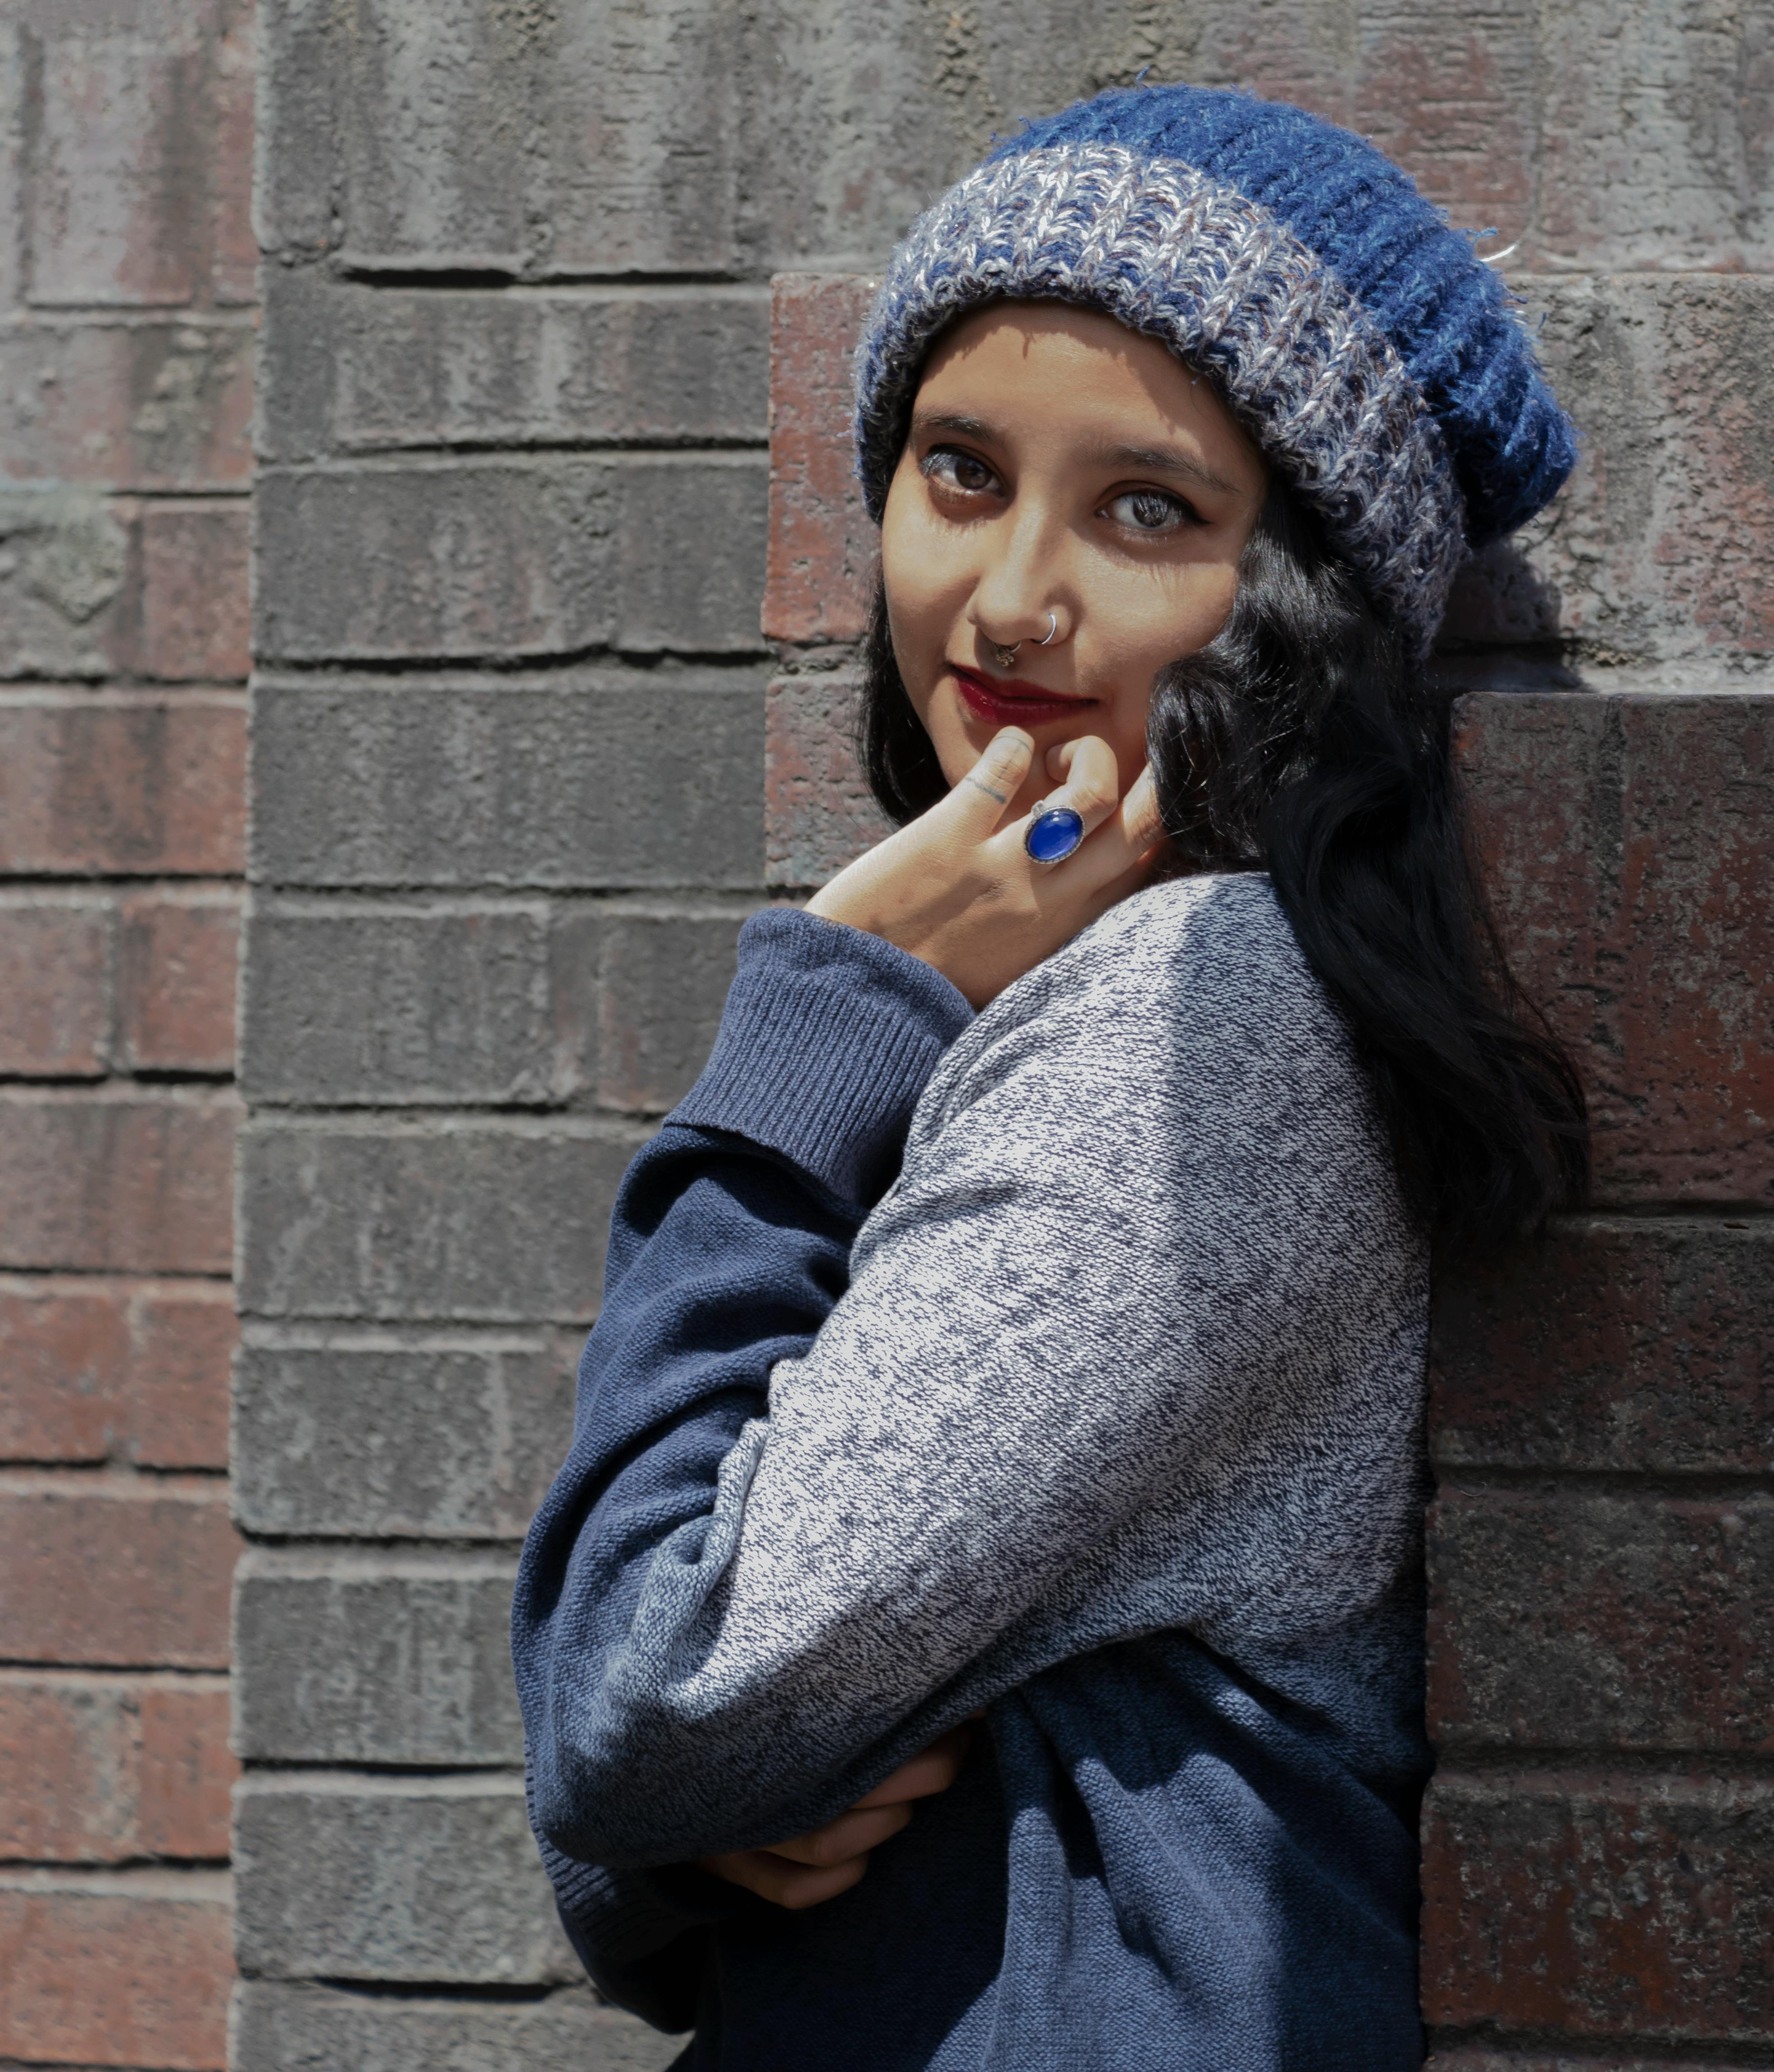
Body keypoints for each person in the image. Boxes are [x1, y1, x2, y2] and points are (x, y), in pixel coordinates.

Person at [512, 82, 1588, 2070]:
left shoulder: (1204, 1019)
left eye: (1145, 509)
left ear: (1301, 605)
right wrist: (669, 1840)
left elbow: (646, 1690)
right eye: (957, 471)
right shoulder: (1079, 988)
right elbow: (671, 1755)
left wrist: (808, 1029)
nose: (1010, 600)